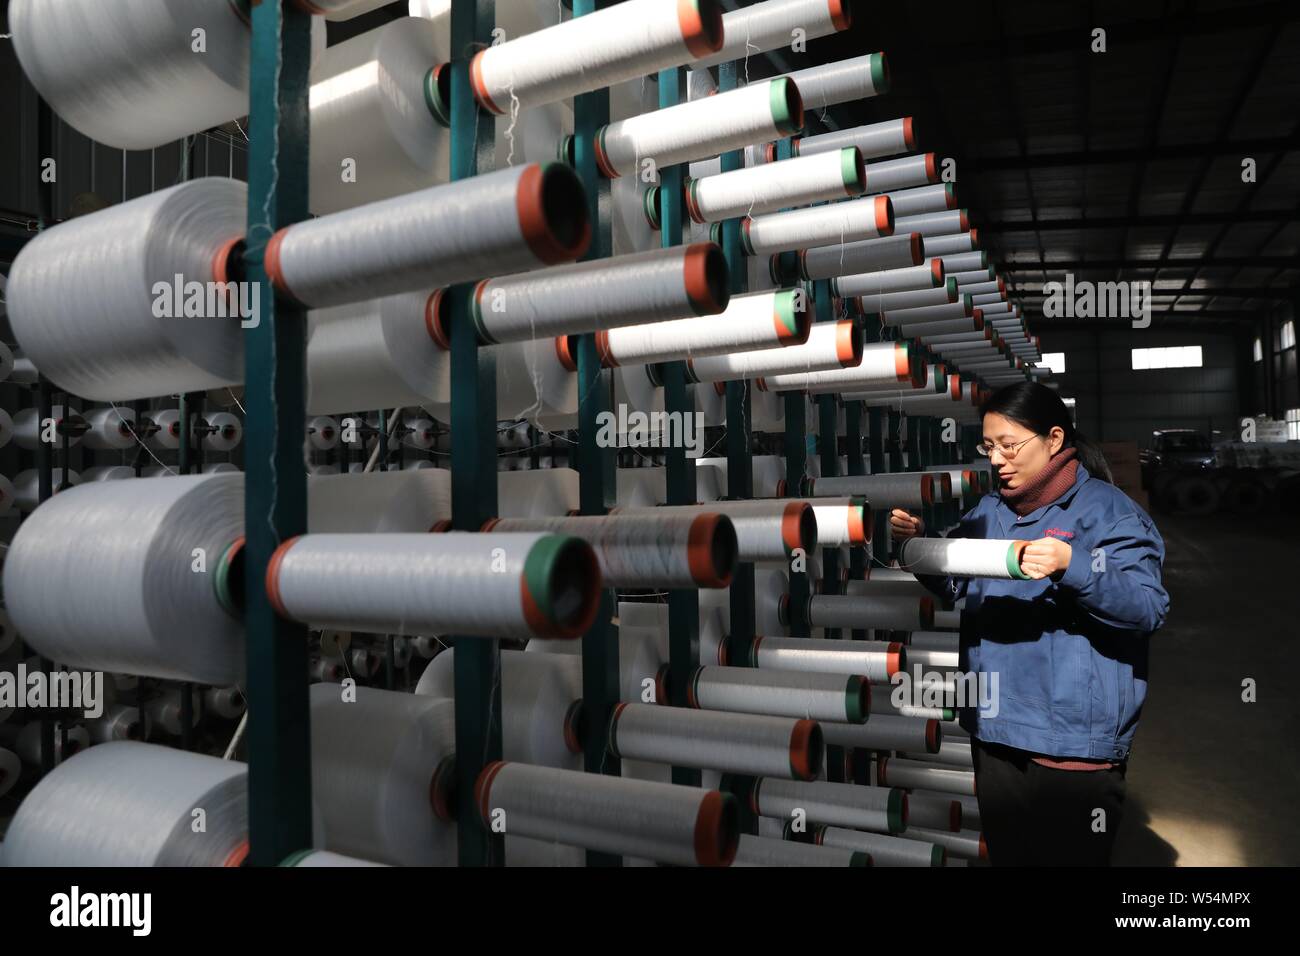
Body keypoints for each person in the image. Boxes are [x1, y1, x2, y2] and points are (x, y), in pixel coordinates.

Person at [890, 381, 1169, 866]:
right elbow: (957, 587)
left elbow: (1147, 607)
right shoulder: (990, 512)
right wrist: (924, 549)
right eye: (989, 447)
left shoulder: (1109, 514)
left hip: (1071, 745)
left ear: (1055, 440)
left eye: (1010, 445)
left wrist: (1074, 565)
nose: (997, 460)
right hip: (996, 732)